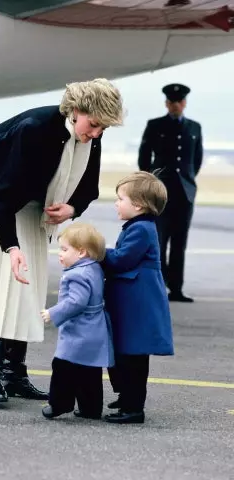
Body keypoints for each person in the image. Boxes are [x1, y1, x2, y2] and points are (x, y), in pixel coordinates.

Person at [0, 78, 123, 403]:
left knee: (30, 289)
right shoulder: (34, 129)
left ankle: (15, 374)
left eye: (102, 129)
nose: (95, 133)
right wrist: (10, 246)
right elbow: (1, 194)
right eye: (93, 124)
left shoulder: (89, 135)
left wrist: (71, 207)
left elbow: (88, 186)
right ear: (77, 110)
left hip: (34, 210)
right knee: (3, 288)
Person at [102, 172, 174, 424]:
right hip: (132, 303)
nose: (116, 203)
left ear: (139, 205)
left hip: (138, 305)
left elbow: (121, 260)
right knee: (126, 355)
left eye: (120, 198)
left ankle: (134, 408)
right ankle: (126, 399)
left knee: (133, 358)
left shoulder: (141, 229)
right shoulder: (138, 226)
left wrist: (98, 252)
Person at [40, 223, 114, 420]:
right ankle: (91, 408)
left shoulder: (76, 275)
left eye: (64, 249)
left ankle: (59, 404)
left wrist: (53, 313)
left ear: (81, 252)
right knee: (89, 370)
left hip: (79, 330)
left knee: (63, 366)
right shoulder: (94, 268)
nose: (60, 254)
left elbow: (76, 302)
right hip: (95, 327)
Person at [138, 84, 203, 302]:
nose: (175, 105)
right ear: (167, 104)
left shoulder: (195, 128)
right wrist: (149, 184)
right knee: (158, 241)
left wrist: (189, 181)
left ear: (184, 103)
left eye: (179, 102)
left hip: (185, 194)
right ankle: (158, 286)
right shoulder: (155, 125)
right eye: (172, 102)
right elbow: (144, 157)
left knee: (179, 243)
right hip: (160, 194)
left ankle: (176, 289)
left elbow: (196, 160)